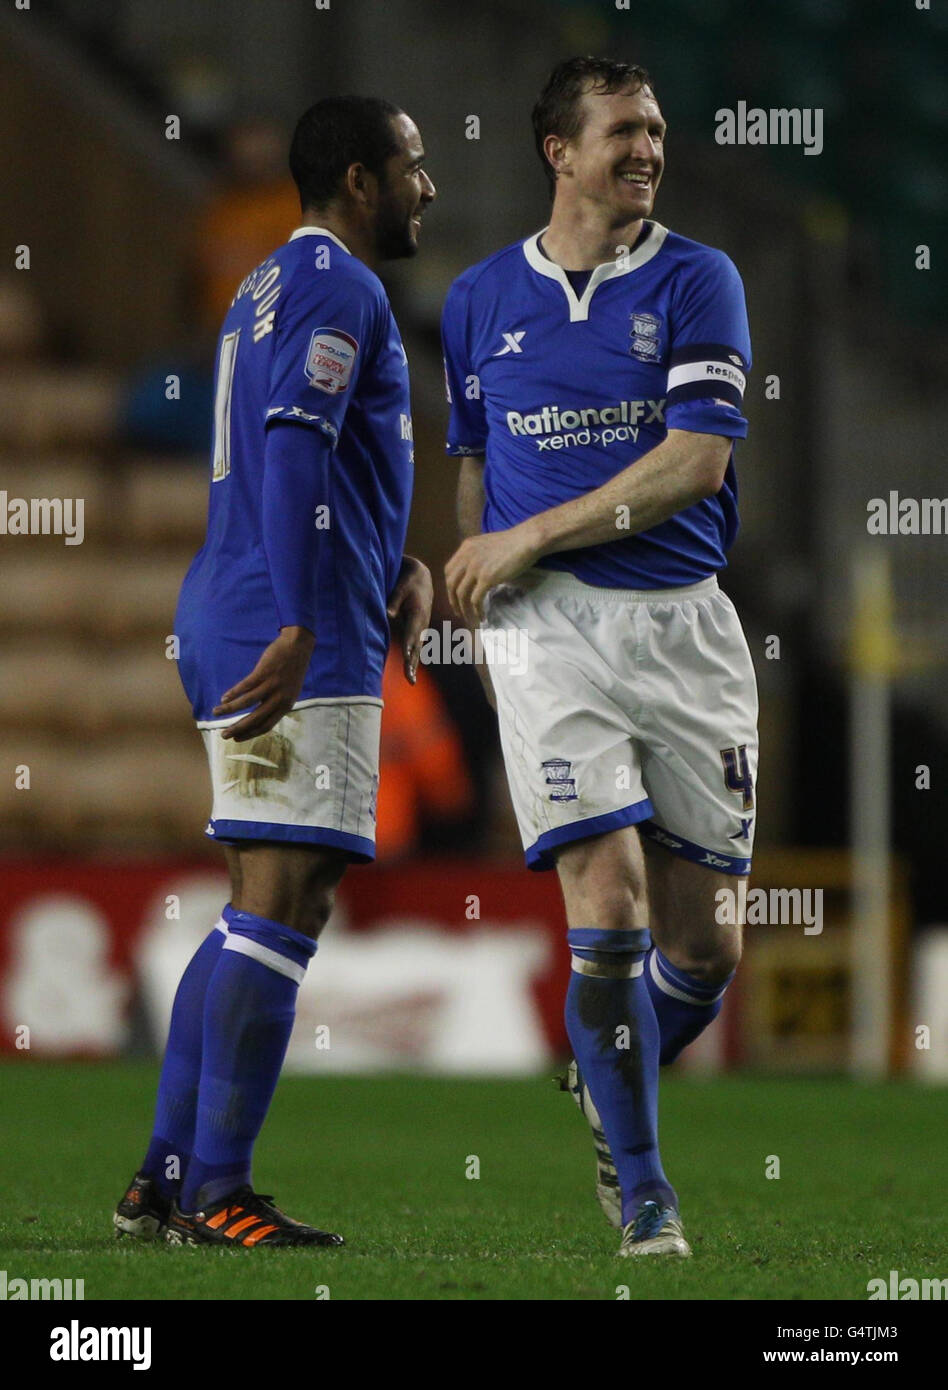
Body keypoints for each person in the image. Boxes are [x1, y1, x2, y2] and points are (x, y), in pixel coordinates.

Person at [443, 57, 757, 1257]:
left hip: (684, 626)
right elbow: (477, 464)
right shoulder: (478, 298)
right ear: (559, 150)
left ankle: (604, 1066)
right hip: (549, 626)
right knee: (608, 900)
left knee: (706, 948)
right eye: (624, 130)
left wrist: (526, 533)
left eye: (658, 130)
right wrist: (485, 582)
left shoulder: (699, 278)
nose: (648, 149)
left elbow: (696, 463)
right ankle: (645, 1194)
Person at [113, 96, 435, 1249]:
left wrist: (392, 560)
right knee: (286, 899)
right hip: (291, 623)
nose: (428, 186)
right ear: (359, 180)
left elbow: (296, 458)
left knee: (259, 900)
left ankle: (165, 1178)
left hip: (236, 600)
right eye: (412, 165)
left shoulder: (263, 284)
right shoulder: (342, 287)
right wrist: (303, 617)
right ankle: (219, 1190)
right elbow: (295, 445)